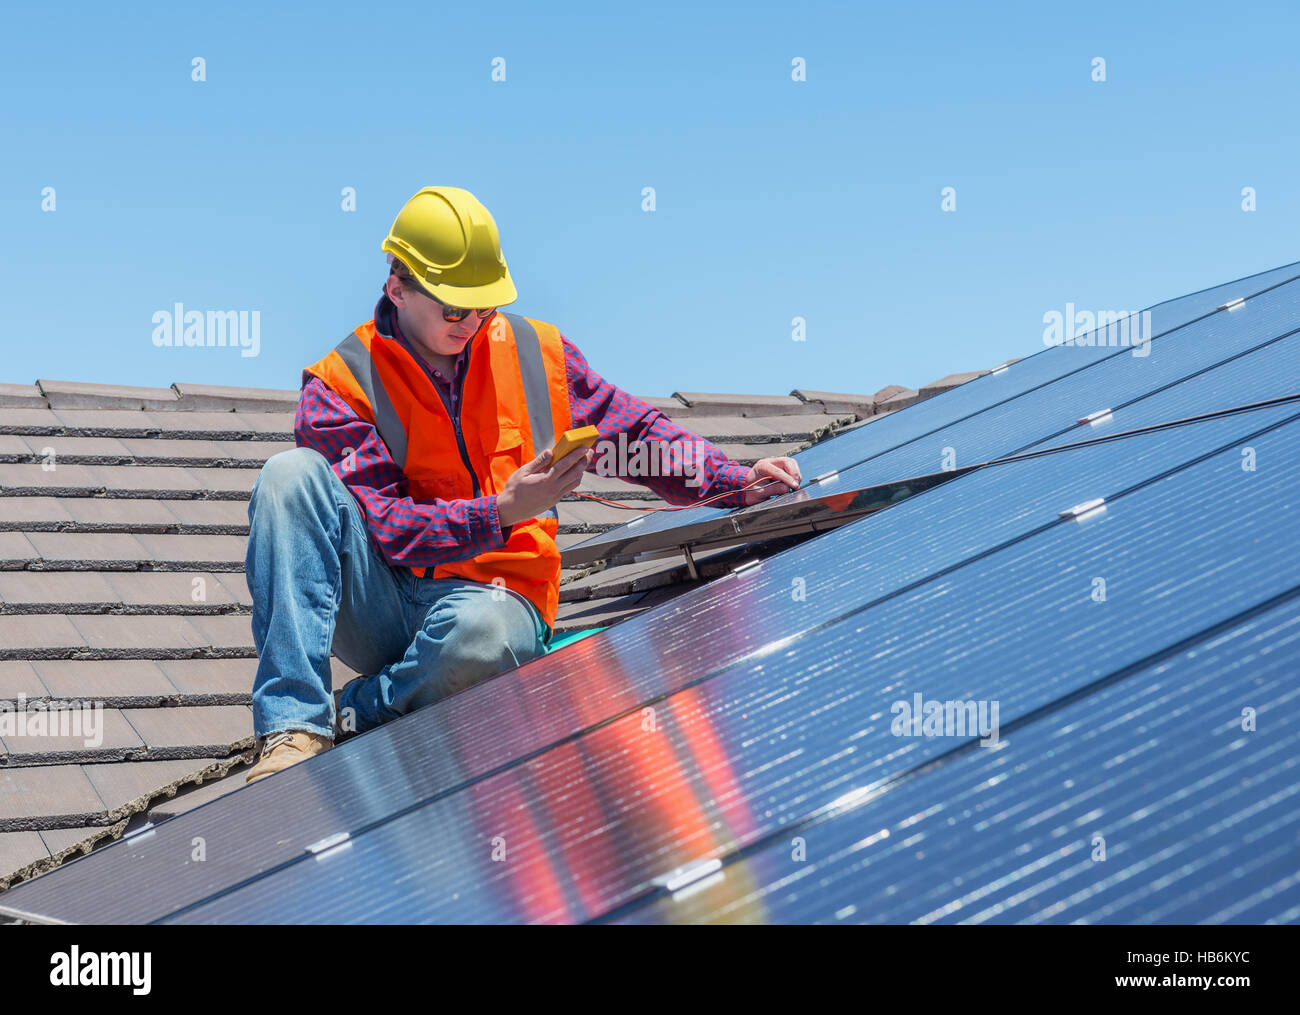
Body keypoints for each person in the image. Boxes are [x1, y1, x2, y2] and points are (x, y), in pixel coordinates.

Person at [244, 186, 801, 783]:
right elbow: (388, 528)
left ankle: (359, 708)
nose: (470, 323)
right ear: (397, 288)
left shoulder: (536, 354)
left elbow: (637, 435)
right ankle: (294, 727)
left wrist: (734, 481)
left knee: (486, 640)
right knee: (288, 477)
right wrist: (502, 511)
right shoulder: (342, 384)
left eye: (483, 307)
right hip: (380, 602)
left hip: (492, 607)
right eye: (453, 310)